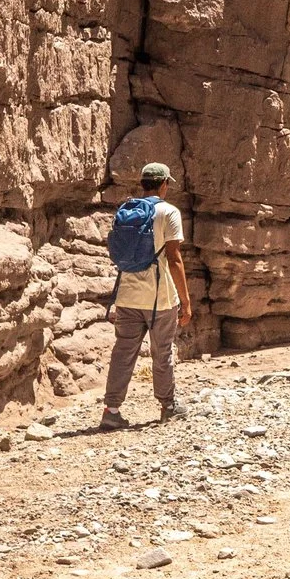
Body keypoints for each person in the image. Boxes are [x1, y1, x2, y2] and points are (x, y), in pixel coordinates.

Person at [102, 161, 192, 430]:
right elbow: (174, 258)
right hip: (159, 298)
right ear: (164, 184)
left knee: (122, 354)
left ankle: (111, 410)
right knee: (161, 352)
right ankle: (168, 405)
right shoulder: (169, 212)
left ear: (143, 184)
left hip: (127, 296)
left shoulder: (126, 210)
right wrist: (185, 302)